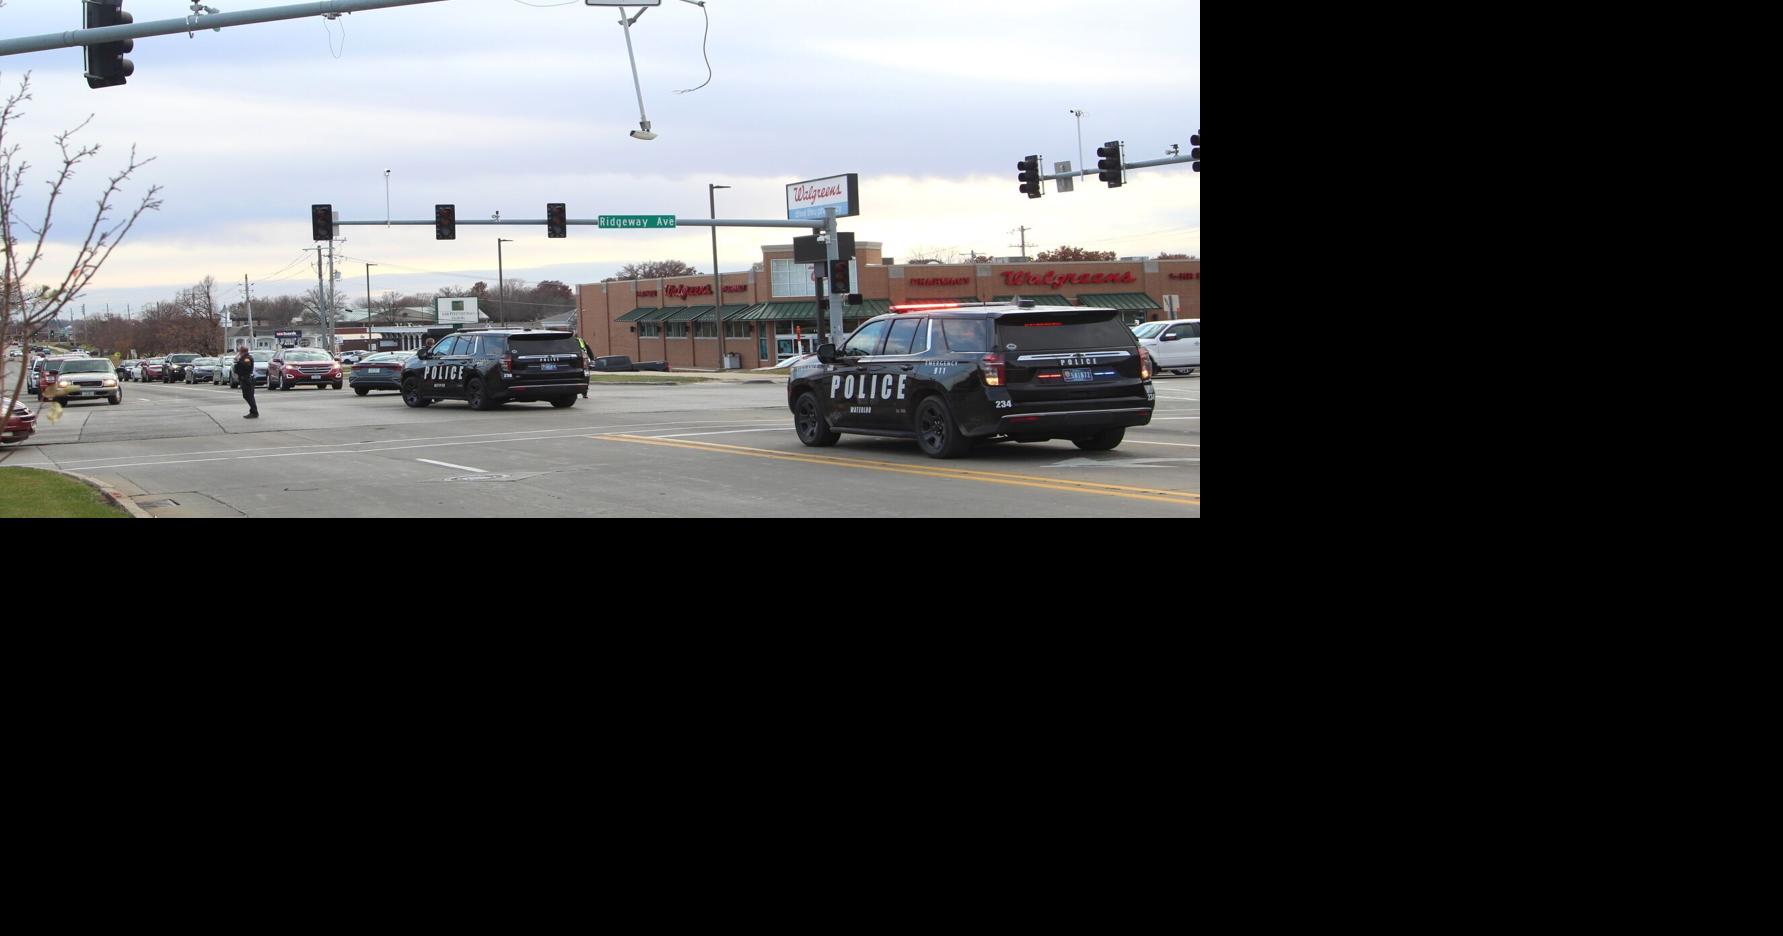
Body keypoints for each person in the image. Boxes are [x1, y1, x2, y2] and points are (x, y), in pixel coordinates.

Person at [234, 343, 258, 419]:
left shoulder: (247, 358)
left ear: (242, 351)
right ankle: (253, 411)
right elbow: (237, 368)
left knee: (249, 396)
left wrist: (238, 361)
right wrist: (237, 361)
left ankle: (254, 412)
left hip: (247, 379)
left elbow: (246, 366)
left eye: (239, 351)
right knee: (246, 396)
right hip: (243, 379)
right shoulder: (243, 358)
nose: (239, 353)